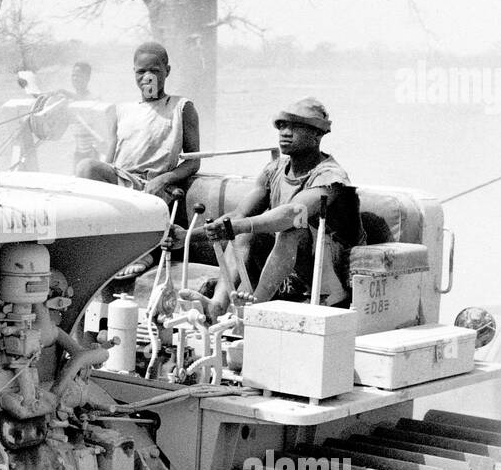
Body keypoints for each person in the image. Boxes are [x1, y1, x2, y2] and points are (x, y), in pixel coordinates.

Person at [199, 97, 363, 317]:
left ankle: (256, 308)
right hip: (287, 265)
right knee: (242, 233)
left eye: (296, 126)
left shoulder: (331, 176)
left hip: (328, 274)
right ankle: (218, 304)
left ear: (317, 135)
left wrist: (240, 226)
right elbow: (239, 214)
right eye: (282, 126)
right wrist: (190, 235)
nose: (285, 132)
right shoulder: (274, 169)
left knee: (291, 228)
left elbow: (293, 213)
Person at [75, 41, 200, 211]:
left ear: (167, 71)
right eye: (141, 71)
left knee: (86, 167)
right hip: (120, 184)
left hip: (152, 188)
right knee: (85, 169)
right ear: (134, 72)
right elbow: (109, 162)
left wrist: (163, 180)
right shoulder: (121, 111)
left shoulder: (181, 107)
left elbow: (193, 162)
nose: (147, 77)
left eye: (154, 71)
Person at [66, 61, 117, 170]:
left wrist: (67, 94)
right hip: (76, 152)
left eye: (78, 76)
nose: (75, 78)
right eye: (73, 75)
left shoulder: (95, 100)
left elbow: (85, 103)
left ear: (87, 78)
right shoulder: (69, 100)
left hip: (92, 152)